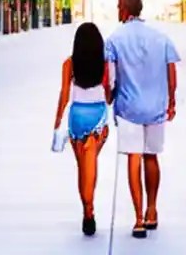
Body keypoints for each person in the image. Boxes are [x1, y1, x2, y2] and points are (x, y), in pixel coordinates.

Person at [105, 0, 179, 239]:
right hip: (156, 107)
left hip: (128, 108)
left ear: (125, 10)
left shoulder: (115, 39)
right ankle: (152, 210)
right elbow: (171, 71)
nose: (117, 10)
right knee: (151, 157)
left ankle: (137, 219)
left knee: (133, 158)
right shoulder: (161, 38)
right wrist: (171, 101)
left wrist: (110, 96)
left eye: (118, 7)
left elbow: (111, 77)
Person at [53, 22, 113, 237]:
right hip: (97, 117)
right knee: (91, 163)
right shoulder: (105, 65)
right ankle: (89, 208)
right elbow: (108, 95)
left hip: (76, 117)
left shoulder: (69, 64)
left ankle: (88, 210)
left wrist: (57, 120)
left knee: (82, 167)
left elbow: (64, 94)